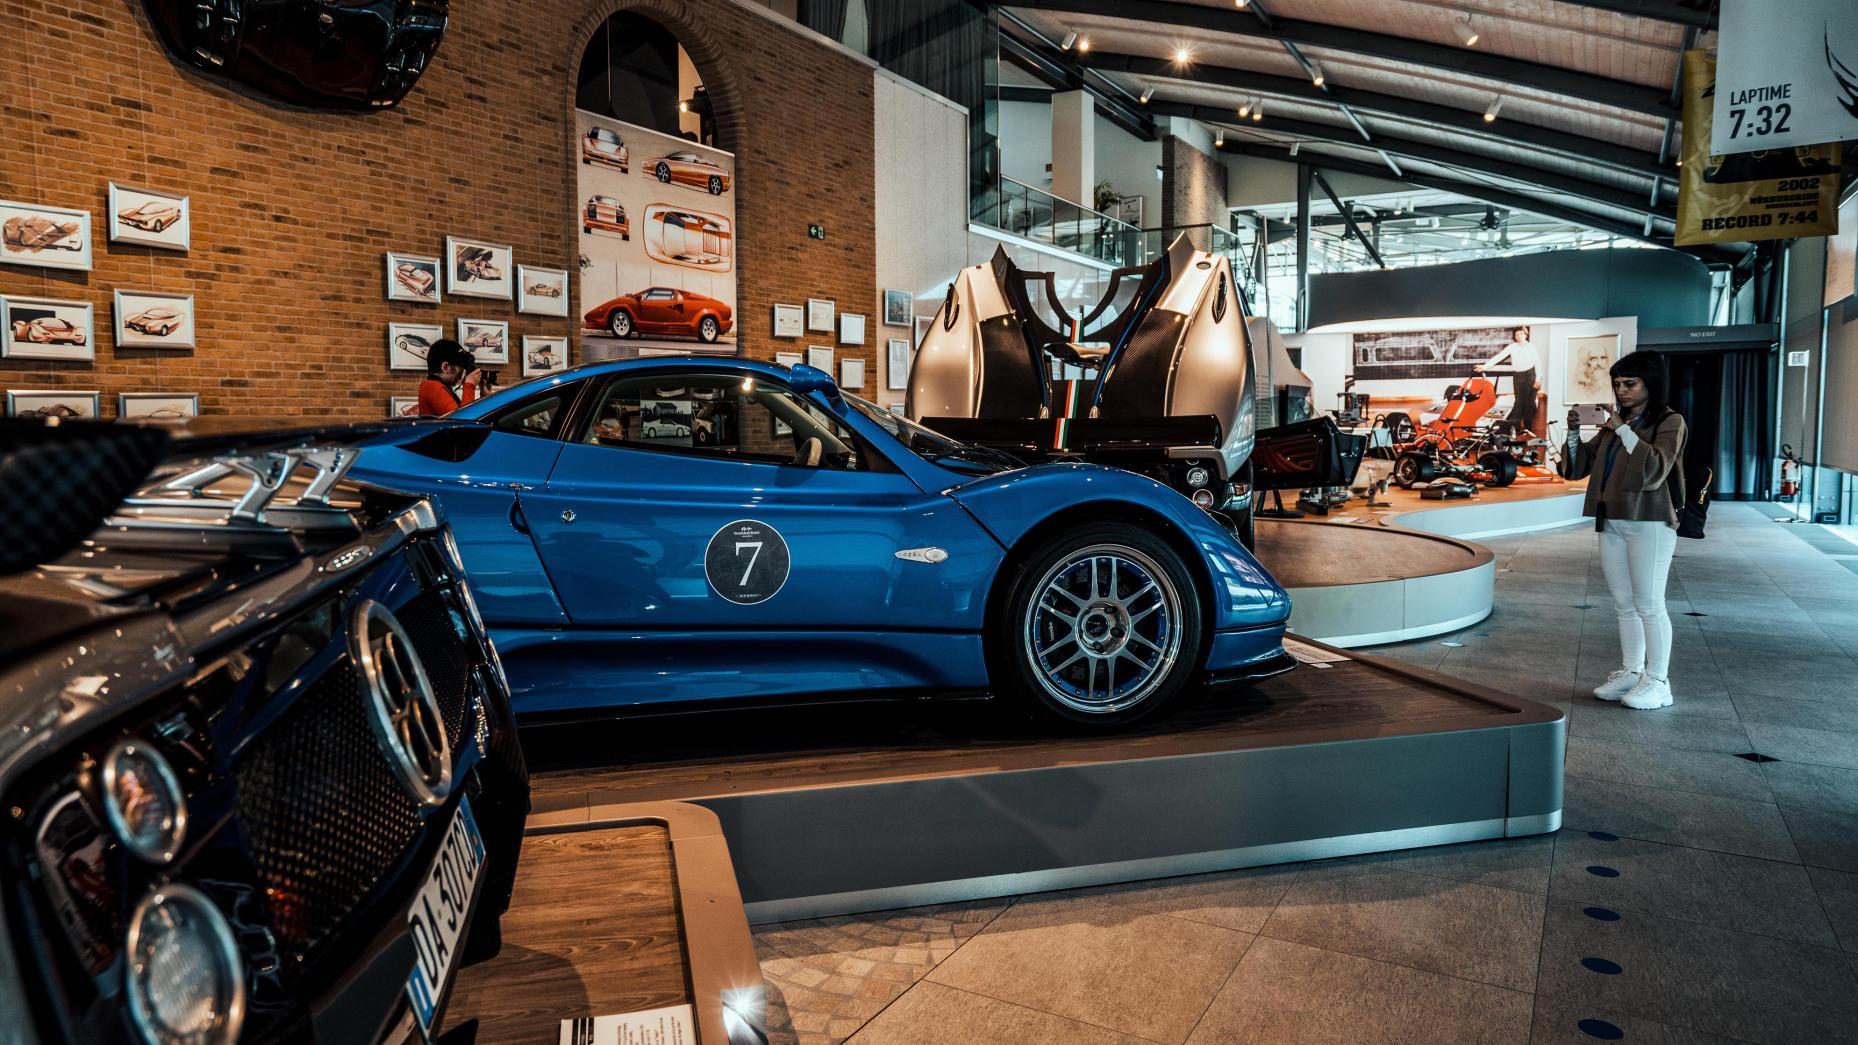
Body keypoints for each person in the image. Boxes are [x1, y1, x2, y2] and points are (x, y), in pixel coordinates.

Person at [1561, 351, 1689, 711]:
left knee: (1649, 603)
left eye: (1630, 383)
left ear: (1650, 382)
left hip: (1649, 520)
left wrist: (1620, 428)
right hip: (1612, 518)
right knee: (1623, 604)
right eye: (1617, 384)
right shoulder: (1617, 423)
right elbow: (1577, 467)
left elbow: (1654, 468)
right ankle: (1632, 671)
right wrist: (1574, 431)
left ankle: (1659, 680)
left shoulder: (1669, 421)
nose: (1622, 390)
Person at [1477, 326, 1540, 435]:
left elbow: (1538, 364)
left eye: (1521, 334)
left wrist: (1538, 379)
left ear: (1525, 335)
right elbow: (1499, 357)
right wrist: (1484, 367)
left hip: (1530, 375)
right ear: (1514, 337)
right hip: (1518, 376)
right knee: (1519, 402)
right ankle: (1515, 428)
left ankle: (1528, 428)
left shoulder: (1532, 347)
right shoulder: (1512, 347)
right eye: (1517, 335)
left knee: (1529, 402)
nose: (1519, 336)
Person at [416, 339, 483, 417]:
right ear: (445, 367)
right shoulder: (432, 387)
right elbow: (461, 421)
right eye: (460, 368)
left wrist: (485, 395)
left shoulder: (437, 386)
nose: (461, 374)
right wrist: (469, 386)